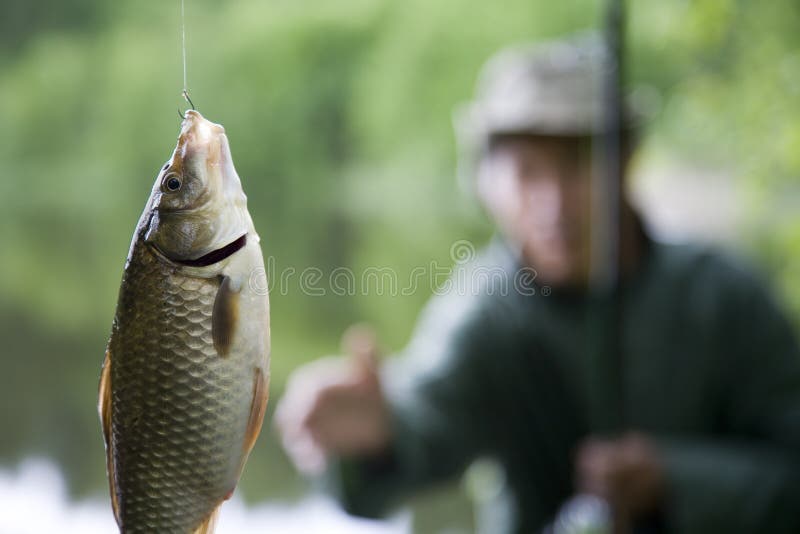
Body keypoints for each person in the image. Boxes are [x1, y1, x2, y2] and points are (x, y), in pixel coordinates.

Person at [275, 34, 800, 533]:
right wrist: (374, 437)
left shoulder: (726, 297)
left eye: (577, 166)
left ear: (626, 162)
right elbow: (421, 425)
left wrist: (674, 479)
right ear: (487, 183)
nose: (554, 204)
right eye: (526, 172)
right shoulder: (485, 308)